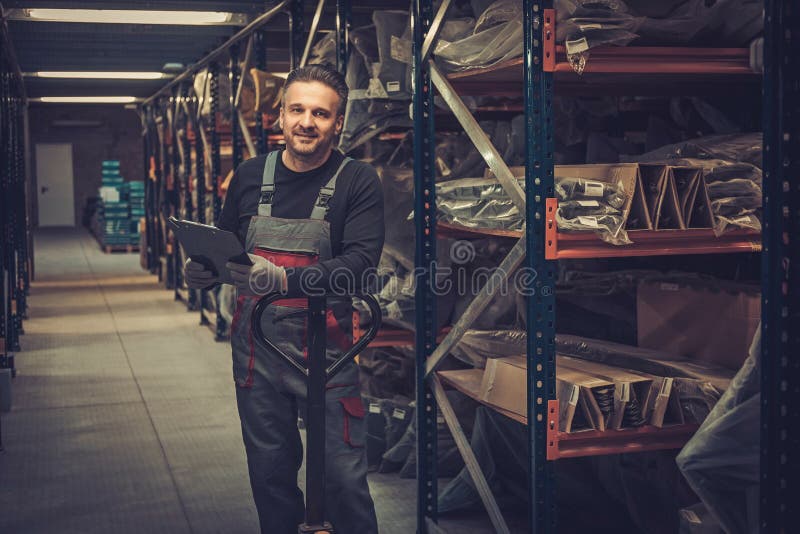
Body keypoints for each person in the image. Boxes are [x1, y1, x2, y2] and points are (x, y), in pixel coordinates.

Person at [183, 64, 384, 534]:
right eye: (297, 109)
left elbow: (359, 265)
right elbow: (228, 248)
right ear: (280, 114)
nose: (306, 122)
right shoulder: (250, 175)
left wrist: (285, 281)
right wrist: (205, 273)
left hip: (329, 353)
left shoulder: (358, 181)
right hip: (257, 353)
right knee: (270, 477)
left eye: (320, 113)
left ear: (338, 122)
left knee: (344, 480)